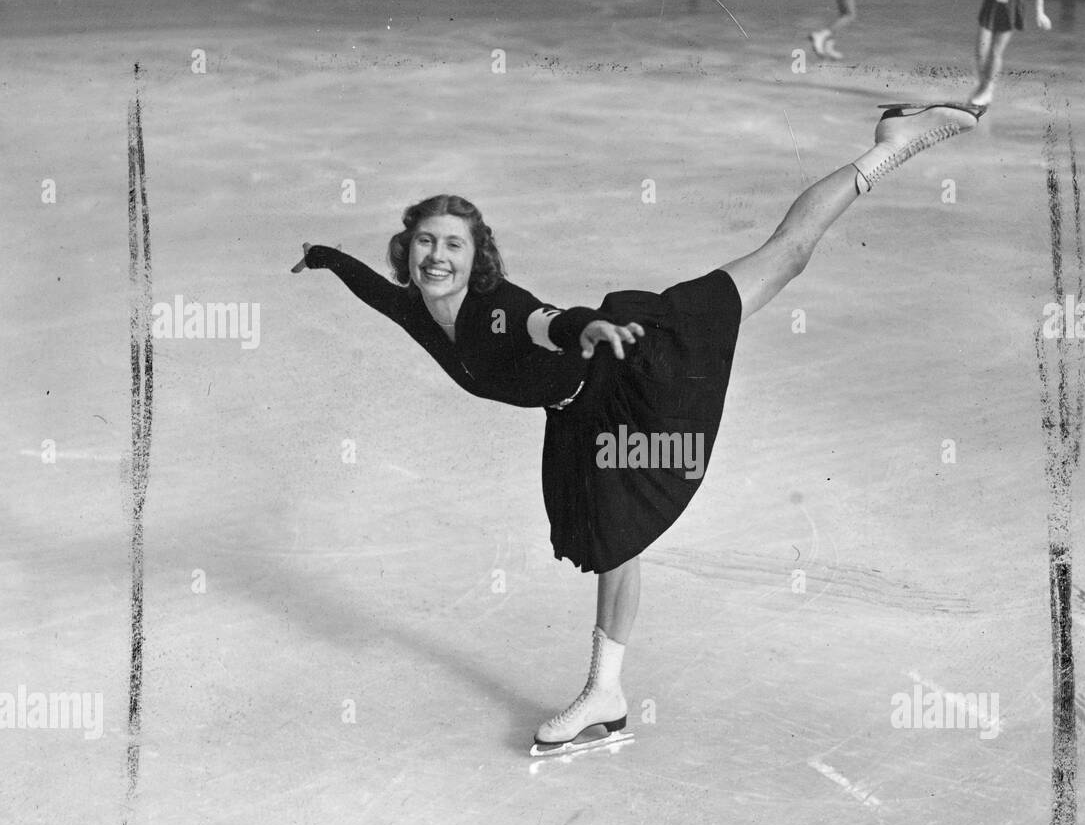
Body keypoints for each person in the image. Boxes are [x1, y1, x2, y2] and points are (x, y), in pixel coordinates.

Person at [291, 103, 984, 752]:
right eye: (424, 242)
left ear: (478, 259)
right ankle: (606, 692)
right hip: (582, 420)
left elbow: (543, 320)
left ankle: (890, 146)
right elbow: (376, 292)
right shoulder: (419, 309)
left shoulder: (494, 306)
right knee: (615, 541)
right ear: (406, 247)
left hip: (636, 367)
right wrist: (324, 254)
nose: (436, 256)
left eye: (453, 245)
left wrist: (583, 327)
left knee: (789, 254)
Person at [970, 0, 1052, 107]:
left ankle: (987, 88)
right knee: (980, 51)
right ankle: (984, 85)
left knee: (996, 51)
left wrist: (1040, 11)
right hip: (993, 1)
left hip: (1013, 3)